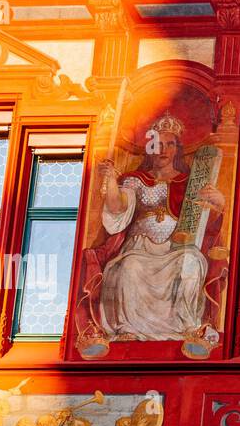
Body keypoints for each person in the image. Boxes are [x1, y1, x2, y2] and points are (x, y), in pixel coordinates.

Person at [80, 113, 226, 343]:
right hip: (139, 246)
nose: (163, 150)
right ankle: (127, 328)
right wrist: (110, 181)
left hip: (176, 246)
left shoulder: (190, 181)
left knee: (192, 263)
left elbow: (206, 219)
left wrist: (219, 201)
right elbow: (118, 206)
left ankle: (186, 327)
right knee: (128, 267)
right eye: (157, 144)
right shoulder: (134, 179)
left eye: (169, 145)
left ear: (177, 149)